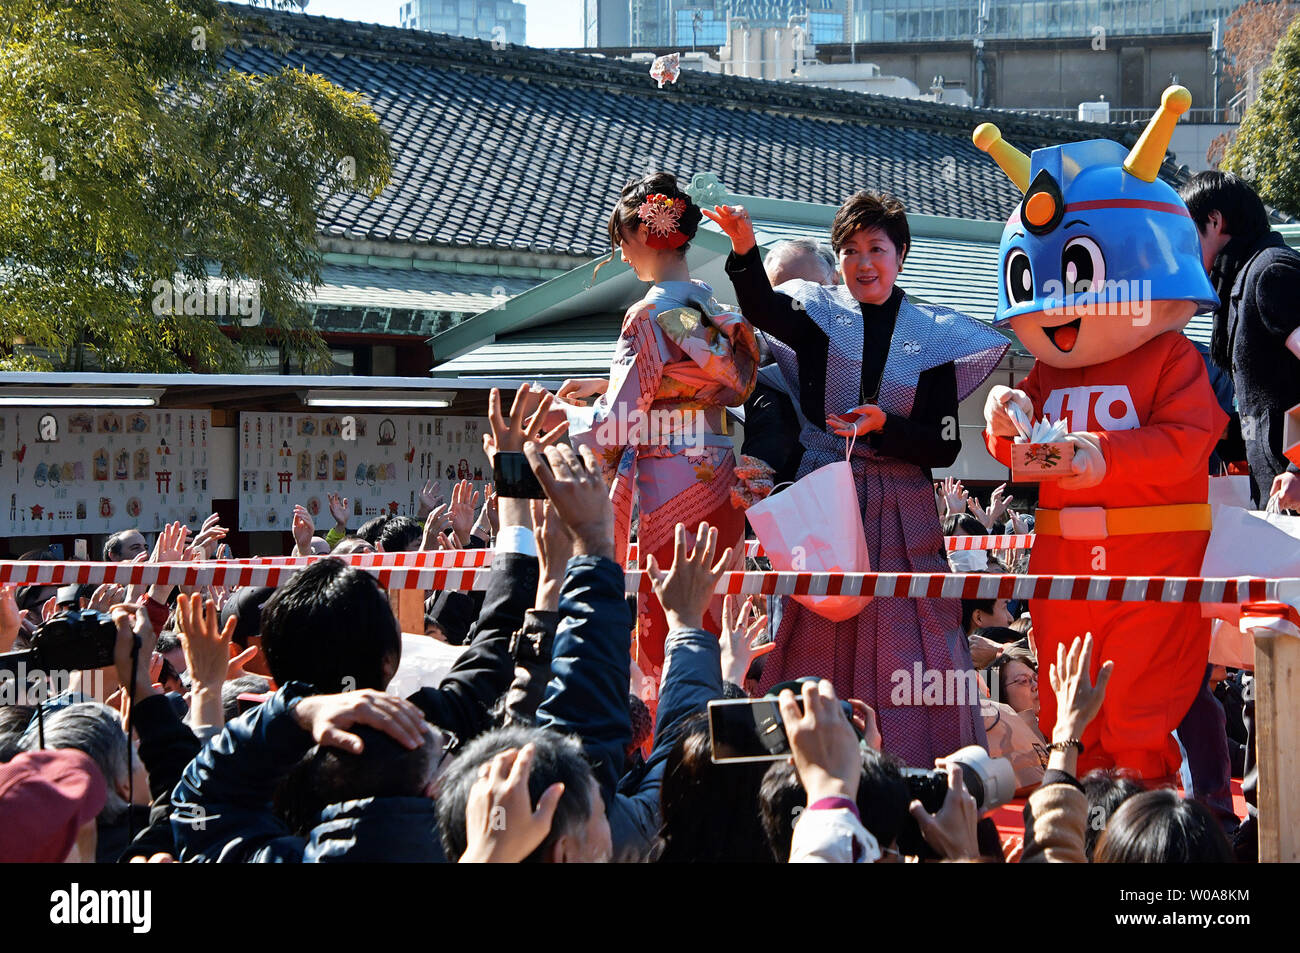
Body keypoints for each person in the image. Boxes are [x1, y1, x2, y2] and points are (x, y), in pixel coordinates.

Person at [706, 192, 1008, 767]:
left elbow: (942, 443)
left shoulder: (937, 333)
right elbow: (765, 310)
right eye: (849, 249)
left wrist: (885, 426)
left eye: (876, 248)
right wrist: (745, 251)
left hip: (903, 504)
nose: (863, 261)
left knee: (913, 636)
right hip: (826, 491)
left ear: (901, 254)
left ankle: (914, 769)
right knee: (810, 622)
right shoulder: (819, 313)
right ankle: (798, 767)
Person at [977, 89, 1227, 781]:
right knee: (1069, 712)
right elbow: (1014, 447)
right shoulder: (1046, 375)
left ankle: (1144, 853)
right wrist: (1002, 412)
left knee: (1143, 712)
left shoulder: (1173, 357)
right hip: (1063, 569)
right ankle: (1075, 825)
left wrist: (1100, 455)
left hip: (1154, 561)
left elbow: (1187, 441)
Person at [556, 171, 759, 682]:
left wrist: (559, 416)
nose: (622, 254)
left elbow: (618, 426)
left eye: (622, 242)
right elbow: (684, 387)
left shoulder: (646, 316)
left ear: (646, 235)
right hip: (719, 480)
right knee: (719, 619)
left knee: (667, 628)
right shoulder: (706, 307)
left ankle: (667, 745)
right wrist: (603, 388)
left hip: (668, 488)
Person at [1178, 171, 1300, 509]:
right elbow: (1263, 408)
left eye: (1187, 233)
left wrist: (1299, 467)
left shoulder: (1271, 272)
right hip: (1275, 501)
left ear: (1215, 221)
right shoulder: (1238, 285)